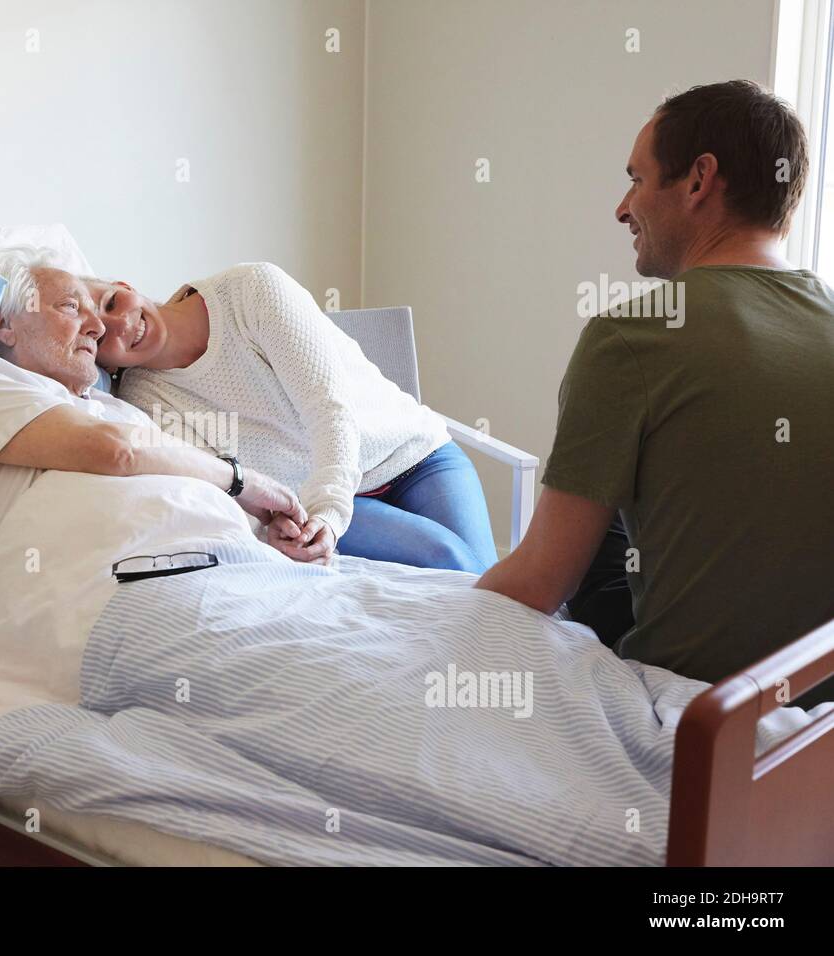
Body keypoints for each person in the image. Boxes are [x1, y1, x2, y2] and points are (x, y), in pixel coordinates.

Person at [476, 80, 834, 701]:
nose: (622, 207)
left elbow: (539, 583)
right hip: (816, 702)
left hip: (701, 707)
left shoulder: (631, 338)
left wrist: (434, 623)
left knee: (600, 516)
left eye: (636, 179)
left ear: (699, 180)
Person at [0, 247, 306, 582]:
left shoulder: (118, 409)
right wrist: (242, 481)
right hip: (112, 591)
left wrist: (270, 534)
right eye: (71, 307)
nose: (97, 326)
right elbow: (115, 451)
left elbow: (180, 482)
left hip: (241, 568)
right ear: (5, 323)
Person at [88, 263, 498, 572]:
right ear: (100, 361)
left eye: (112, 303)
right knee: (451, 563)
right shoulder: (145, 400)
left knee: (506, 594)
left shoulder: (252, 290)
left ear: (124, 286)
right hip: (318, 500)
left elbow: (330, 410)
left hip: (415, 456)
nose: (123, 323)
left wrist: (330, 514)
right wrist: (279, 524)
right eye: (103, 337)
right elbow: (232, 478)